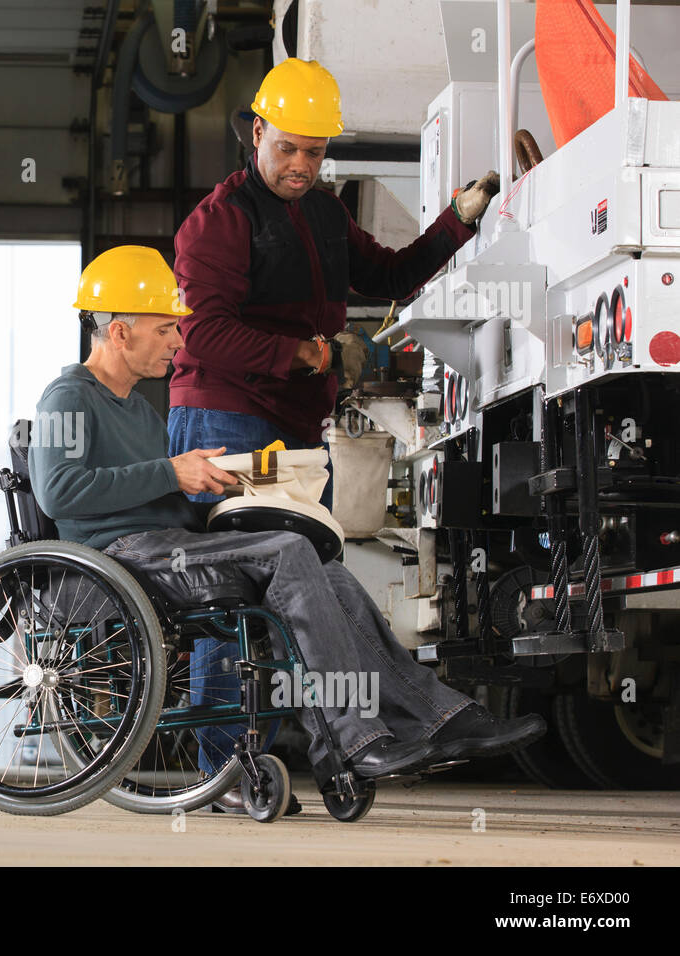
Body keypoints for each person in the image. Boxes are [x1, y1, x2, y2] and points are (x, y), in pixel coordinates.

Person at [27, 246, 544, 809]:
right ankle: (355, 737)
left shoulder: (137, 408)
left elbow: (152, 491)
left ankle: (436, 719)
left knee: (326, 571)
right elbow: (61, 492)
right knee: (288, 552)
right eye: (166, 329)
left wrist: (224, 488)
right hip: (117, 561)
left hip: (166, 549)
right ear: (120, 333)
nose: (179, 341)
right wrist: (171, 471)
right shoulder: (70, 397)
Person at [168, 57, 500, 508]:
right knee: (241, 564)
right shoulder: (220, 220)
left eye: (315, 151)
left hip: (299, 420)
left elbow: (392, 276)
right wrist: (312, 353)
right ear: (258, 133)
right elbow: (204, 334)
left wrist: (457, 220)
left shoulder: (324, 212)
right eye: (287, 149)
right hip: (227, 415)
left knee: (308, 560)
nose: (301, 166)